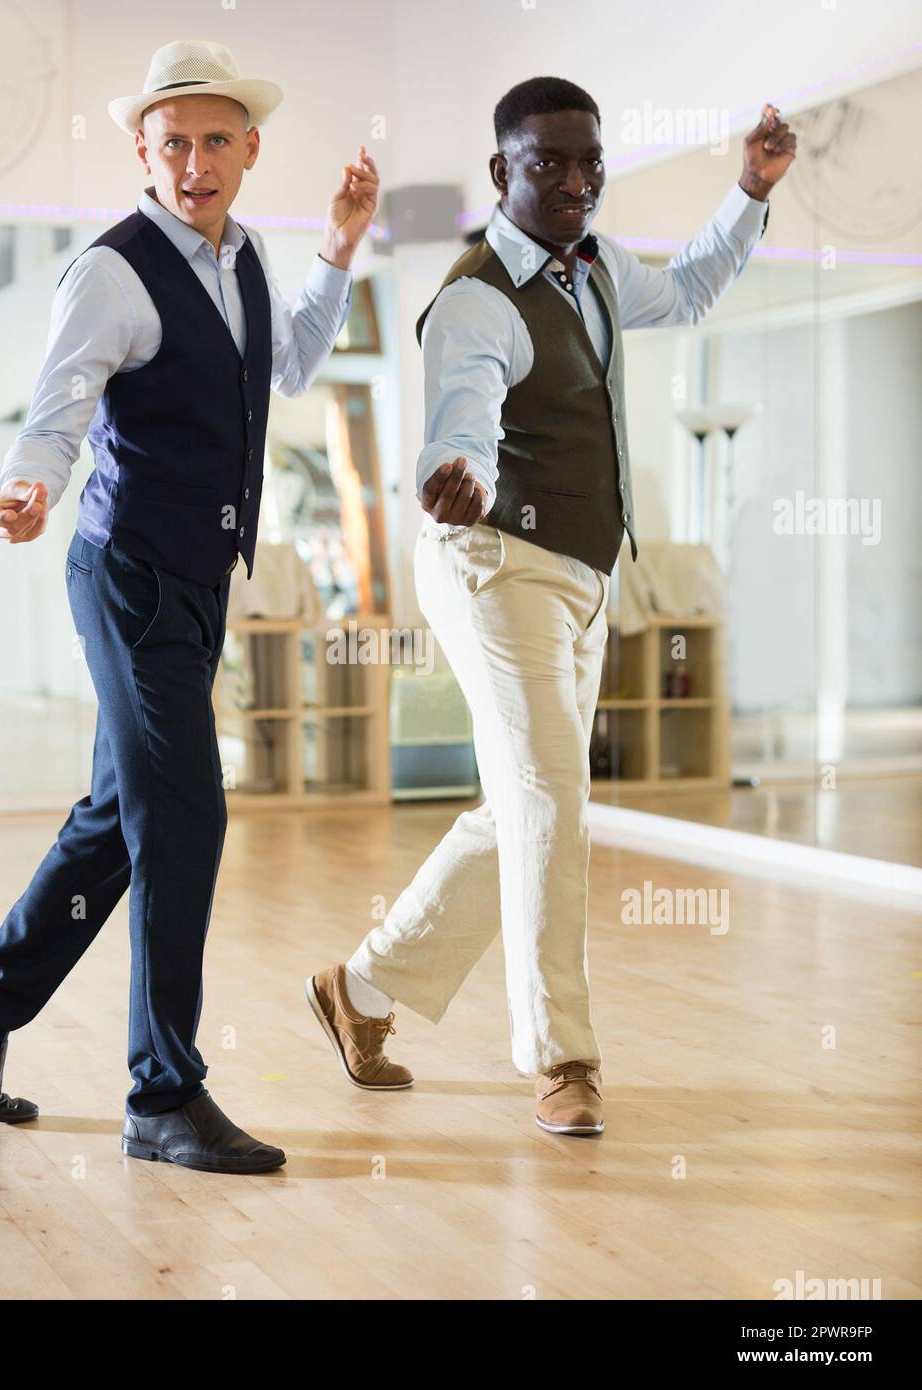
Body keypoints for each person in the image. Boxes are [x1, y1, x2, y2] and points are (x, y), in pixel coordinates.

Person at [0, 39, 378, 1174]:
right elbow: (61, 401)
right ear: (143, 149)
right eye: (174, 142)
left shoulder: (250, 258)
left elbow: (290, 365)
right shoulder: (110, 269)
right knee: (184, 815)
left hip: (198, 578)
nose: (195, 161)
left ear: (249, 149)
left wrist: (336, 250)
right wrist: (30, 482)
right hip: (123, 575)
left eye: (217, 140)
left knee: (118, 816)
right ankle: (161, 1093)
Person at [307, 78, 794, 1136]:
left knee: (526, 803)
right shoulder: (477, 296)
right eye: (547, 165)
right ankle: (561, 1056)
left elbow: (695, 287)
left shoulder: (603, 267)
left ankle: (363, 986)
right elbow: (460, 424)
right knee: (551, 801)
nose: (573, 183)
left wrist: (747, 190)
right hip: (494, 561)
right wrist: (458, 474)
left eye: (588, 163)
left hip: (581, 575)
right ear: (500, 173)